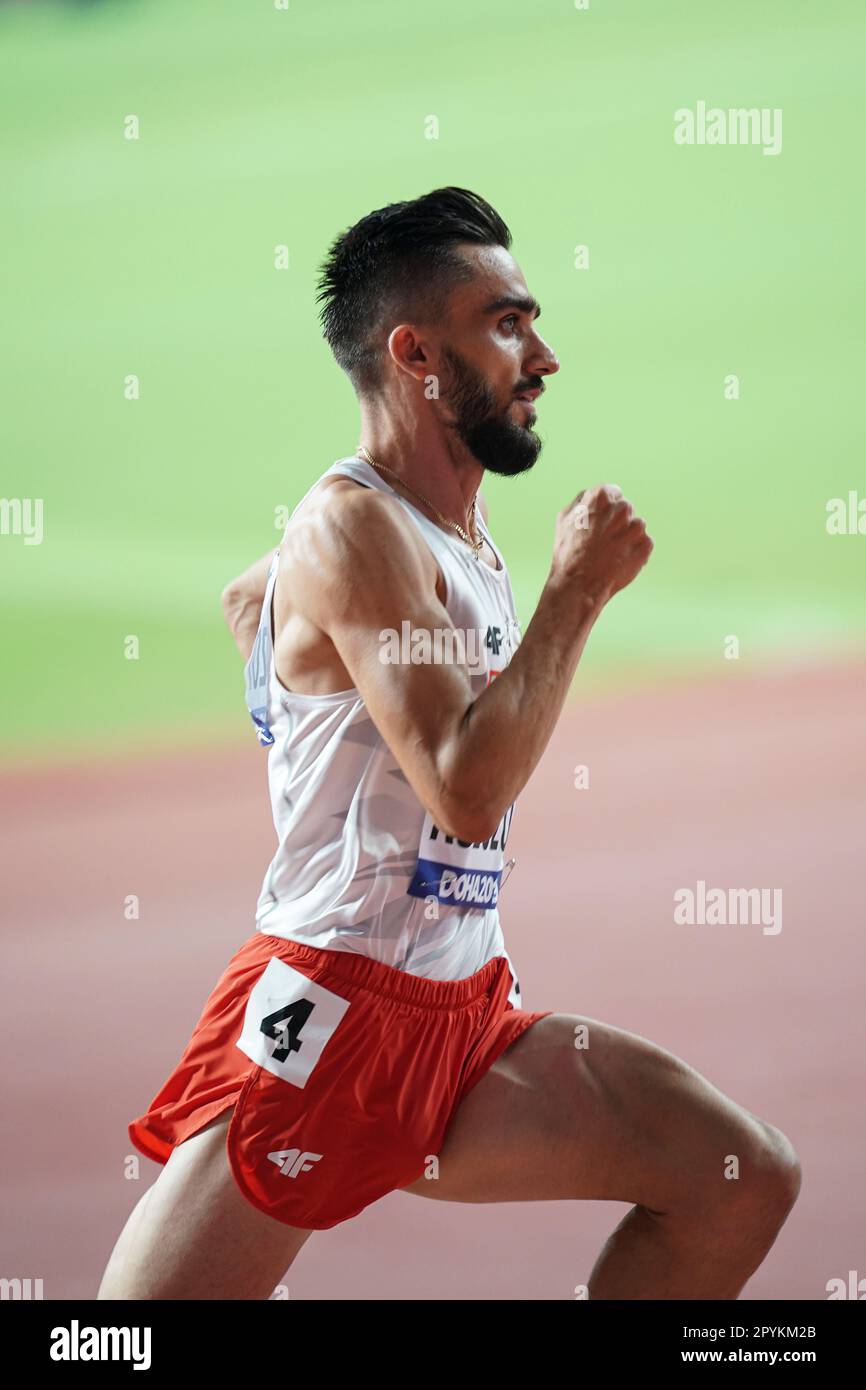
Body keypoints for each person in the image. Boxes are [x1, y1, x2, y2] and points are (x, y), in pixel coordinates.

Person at [98, 187, 800, 1300]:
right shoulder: (352, 524)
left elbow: (255, 600)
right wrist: (573, 592)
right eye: (507, 323)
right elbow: (467, 791)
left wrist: (285, 652)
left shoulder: (433, 529)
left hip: (460, 1008)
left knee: (741, 1176)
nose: (544, 356)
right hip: (328, 1005)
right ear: (415, 352)